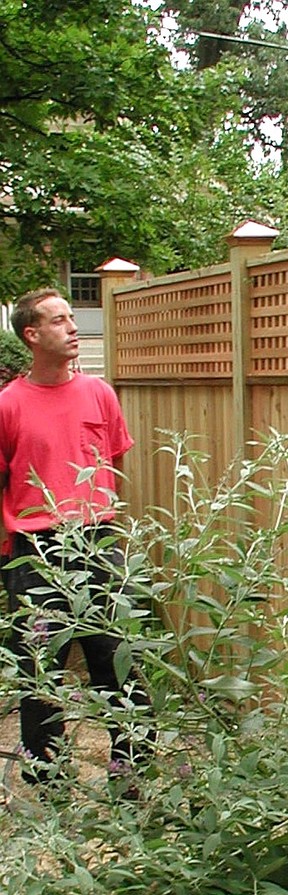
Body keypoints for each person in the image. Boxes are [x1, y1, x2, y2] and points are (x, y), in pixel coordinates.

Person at [0, 287, 153, 787]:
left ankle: (132, 771)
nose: (73, 328)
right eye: (60, 320)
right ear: (32, 334)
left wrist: (100, 523)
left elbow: (114, 462)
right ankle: (49, 783)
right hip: (37, 553)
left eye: (72, 318)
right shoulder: (9, 406)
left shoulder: (99, 393)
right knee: (40, 672)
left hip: (97, 543)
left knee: (118, 662)